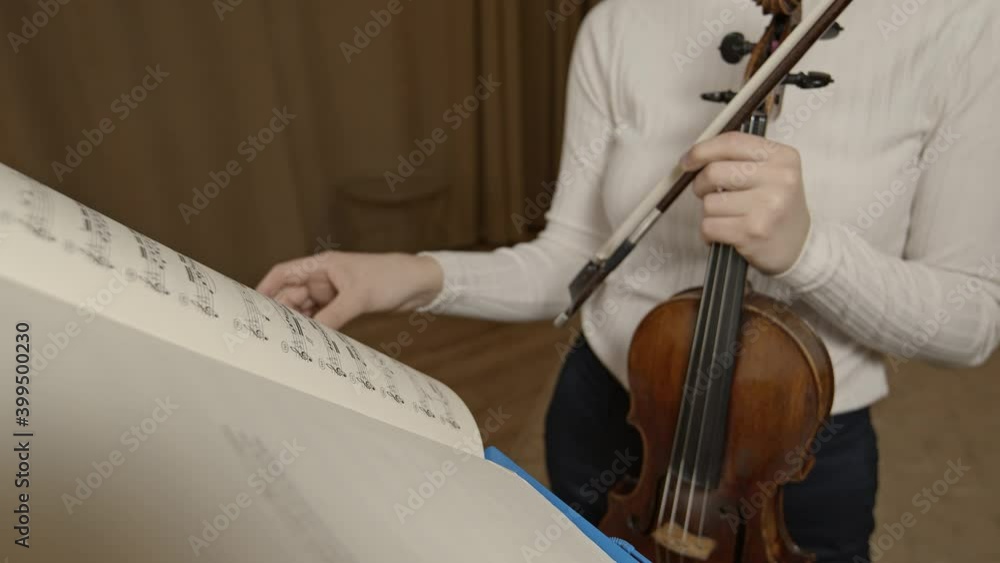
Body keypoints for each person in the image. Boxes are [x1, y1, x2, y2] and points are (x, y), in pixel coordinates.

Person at [257, 1, 1000, 560]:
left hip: (797, 456)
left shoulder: (963, 26)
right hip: (613, 419)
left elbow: (972, 322)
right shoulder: (621, 20)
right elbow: (571, 266)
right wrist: (397, 277)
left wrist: (809, 251)